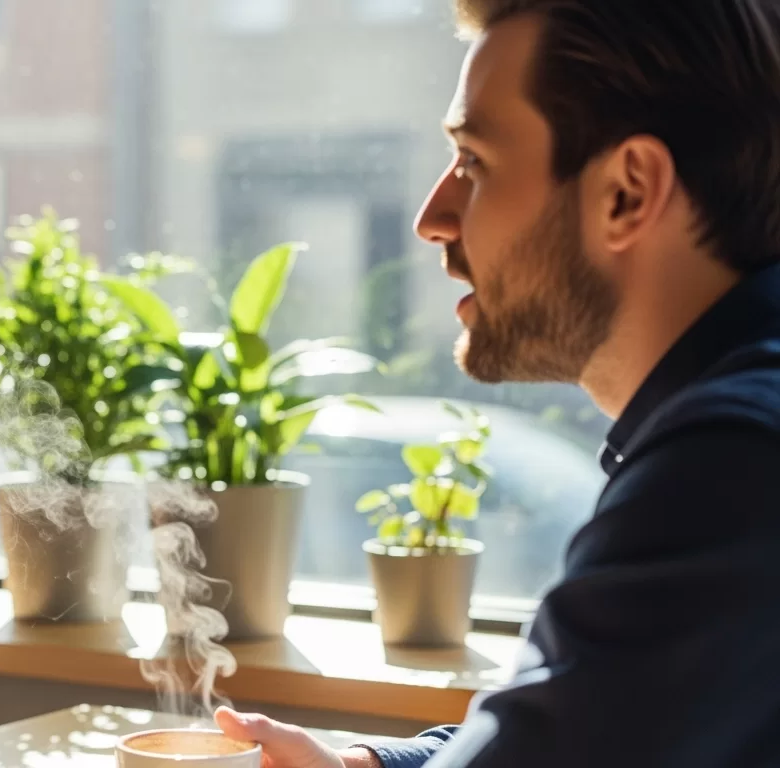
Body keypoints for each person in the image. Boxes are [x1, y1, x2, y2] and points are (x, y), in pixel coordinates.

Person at [216, 0, 780, 765]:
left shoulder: (730, 466)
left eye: (475, 162)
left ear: (627, 193)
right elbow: (573, 727)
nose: (432, 217)